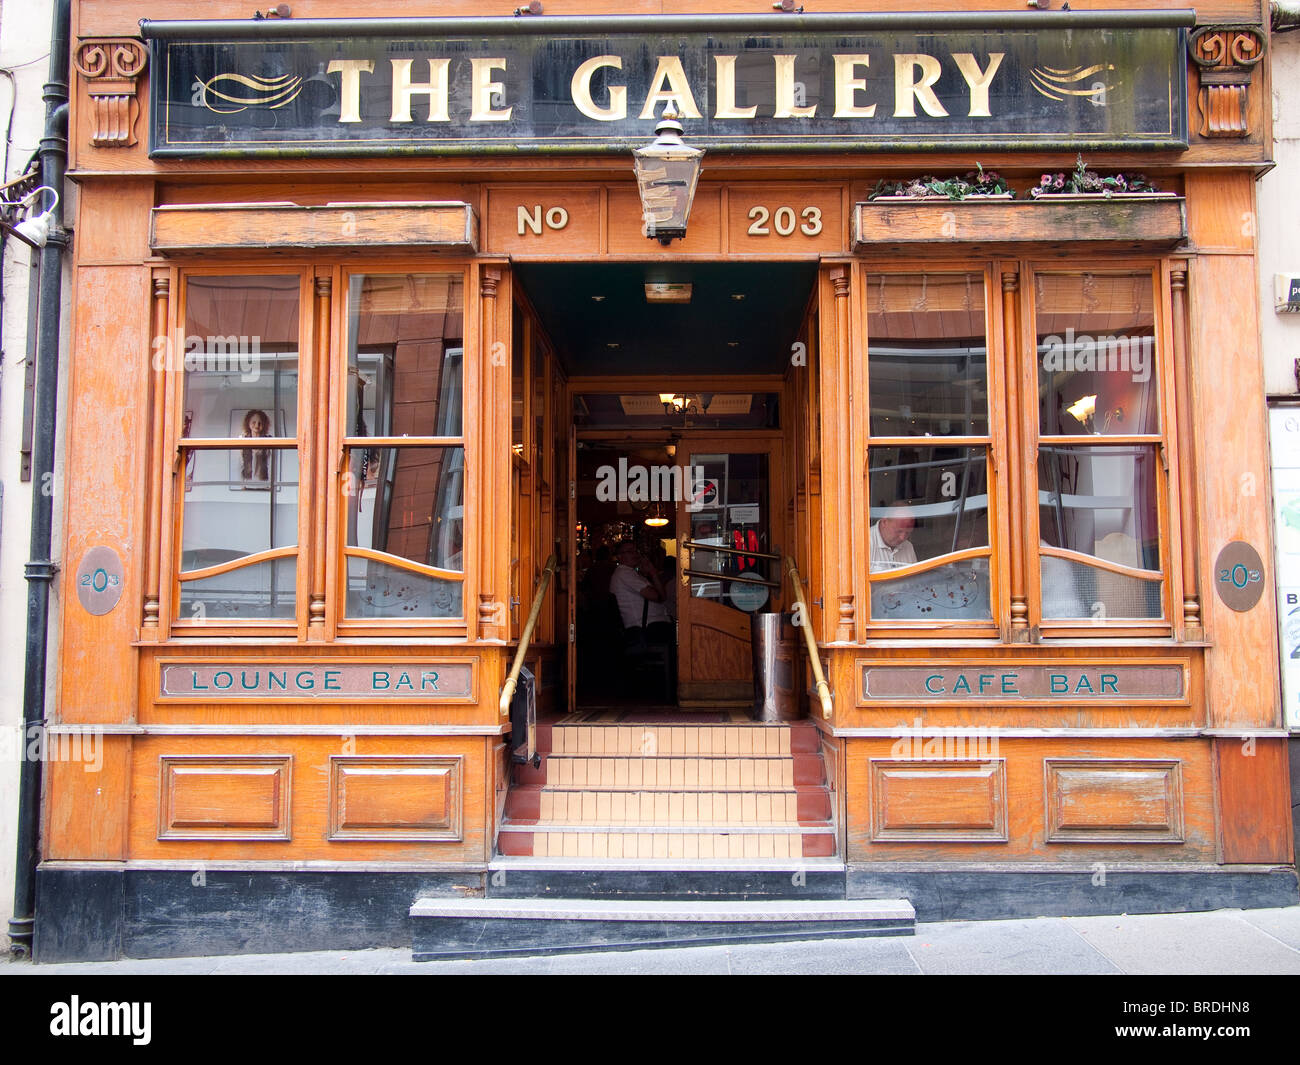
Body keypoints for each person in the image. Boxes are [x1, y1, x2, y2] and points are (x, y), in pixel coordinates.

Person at [610, 540, 672, 643]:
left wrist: (652, 573)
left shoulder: (632, 573)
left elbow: (662, 597)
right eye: (630, 551)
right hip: (646, 628)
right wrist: (653, 573)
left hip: (653, 625)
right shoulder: (624, 572)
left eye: (636, 551)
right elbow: (658, 596)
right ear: (619, 557)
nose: (635, 554)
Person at [870, 506, 918, 571]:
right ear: (884, 522)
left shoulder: (908, 546)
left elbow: (914, 578)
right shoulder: (865, 542)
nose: (902, 538)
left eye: (907, 533)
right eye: (899, 531)